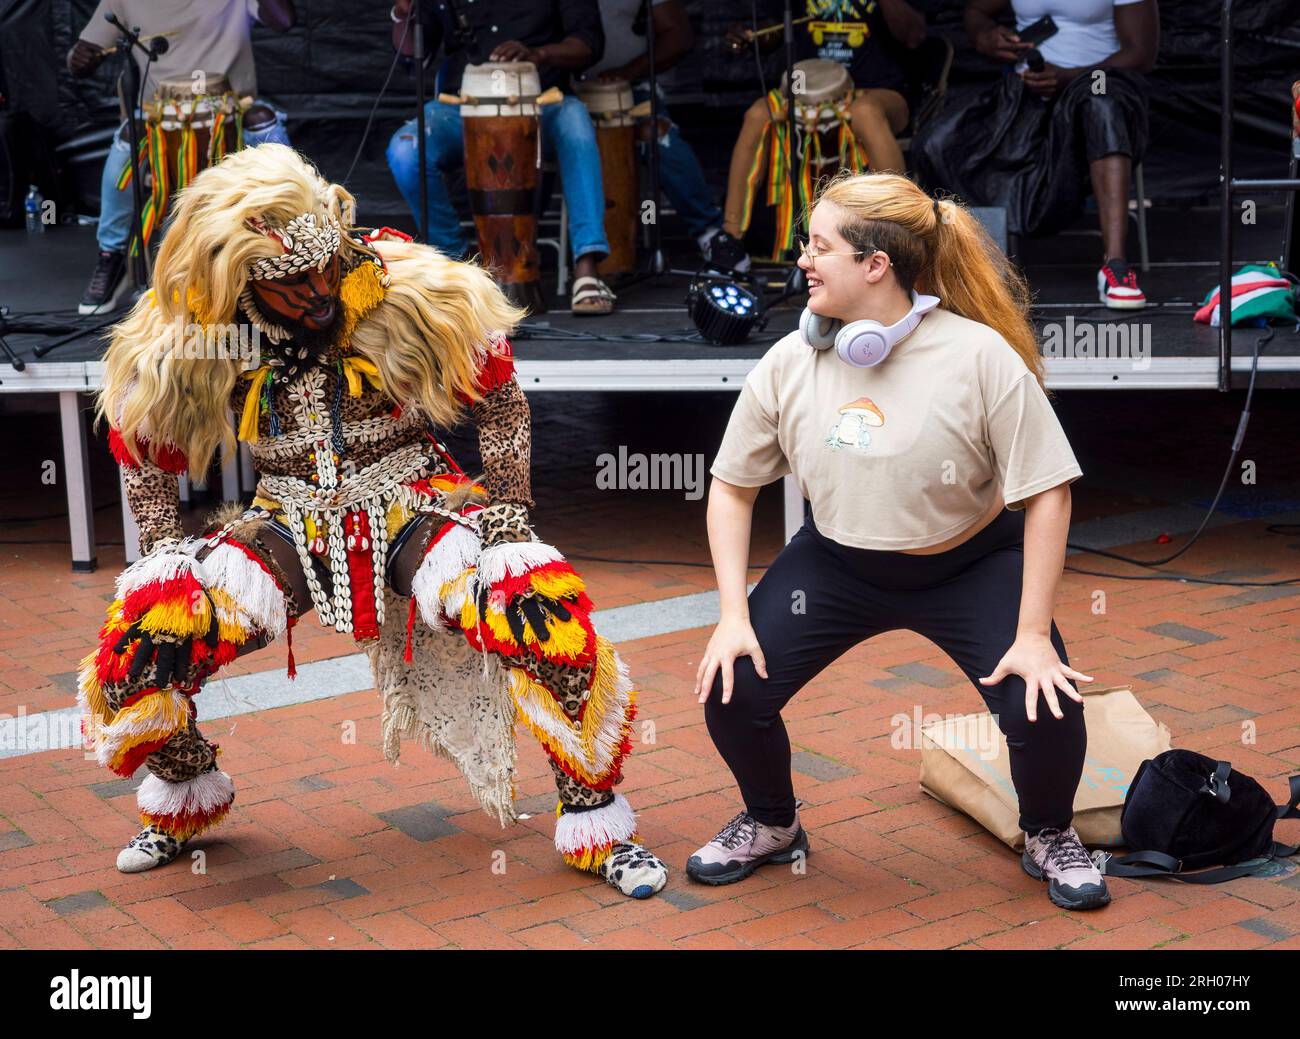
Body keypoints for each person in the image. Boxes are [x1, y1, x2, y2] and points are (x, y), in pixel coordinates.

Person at [78, 143, 668, 900]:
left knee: (538, 610)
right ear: (240, 282)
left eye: (328, 267)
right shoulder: (200, 327)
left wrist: (512, 513)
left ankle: (597, 823)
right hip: (287, 513)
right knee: (140, 648)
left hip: (410, 496)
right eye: (293, 283)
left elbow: (502, 400)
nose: (322, 290)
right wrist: (160, 548)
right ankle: (188, 792)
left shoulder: (396, 284)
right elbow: (141, 438)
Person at [689, 170, 1110, 911]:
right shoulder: (791, 360)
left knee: (1042, 702)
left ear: (875, 265)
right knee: (734, 686)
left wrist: (1033, 632)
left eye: (820, 247)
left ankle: (1050, 831)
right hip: (836, 563)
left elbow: (1048, 492)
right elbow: (731, 485)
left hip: (970, 562)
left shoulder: (978, 357)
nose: (804, 263)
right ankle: (773, 820)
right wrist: (731, 614)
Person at [915, 0, 1158, 309]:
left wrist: (1070, 78)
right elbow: (975, 11)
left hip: (1098, 81)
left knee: (1103, 106)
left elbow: (1142, 53)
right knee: (939, 140)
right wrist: (986, 34)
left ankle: (1116, 265)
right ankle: (968, 264)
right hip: (1030, 88)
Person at [385, 0, 617, 315]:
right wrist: (403, 12)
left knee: (577, 123)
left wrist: (540, 54)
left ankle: (587, 266)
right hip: (463, 108)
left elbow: (589, 45)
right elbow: (413, 55)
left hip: (543, 104)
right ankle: (458, 265)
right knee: (405, 148)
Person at [68, 0, 295, 316]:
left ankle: (292, 244)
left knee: (264, 124)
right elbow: (82, 54)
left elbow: (283, 20)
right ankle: (112, 254)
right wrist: (80, 58)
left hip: (232, 113)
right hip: (157, 120)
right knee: (125, 142)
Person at [707, 0, 927, 274]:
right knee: (758, 113)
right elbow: (775, 33)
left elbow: (914, 35)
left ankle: (898, 231)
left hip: (877, 92)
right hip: (806, 95)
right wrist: (753, 35)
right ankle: (731, 239)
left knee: (865, 112)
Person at [580, 0, 726, 263]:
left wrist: (627, 72)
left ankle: (711, 233)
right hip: (559, 89)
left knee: (659, 135)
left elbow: (678, 35)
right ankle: (517, 251)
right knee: (522, 140)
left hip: (631, 86)